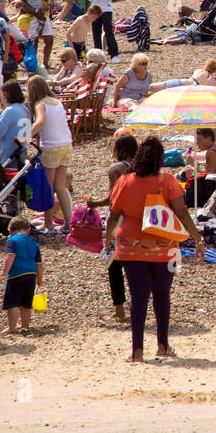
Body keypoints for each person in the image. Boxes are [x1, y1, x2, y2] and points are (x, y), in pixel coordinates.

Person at [105, 137, 205, 363]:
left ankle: (137, 352)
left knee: (138, 296)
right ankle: (162, 345)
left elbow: (114, 214)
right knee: (161, 295)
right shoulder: (166, 181)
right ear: (159, 159)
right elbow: (181, 213)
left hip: (129, 245)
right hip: (163, 246)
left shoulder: (124, 181)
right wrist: (197, 238)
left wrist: (107, 238)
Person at [88, 131, 137, 322]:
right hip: (140, 221)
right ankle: (137, 306)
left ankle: (120, 311)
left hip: (120, 222)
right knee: (136, 266)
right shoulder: (143, 167)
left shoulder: (116, 169)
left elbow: (113, 199)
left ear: (120, 150)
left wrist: (94, 204)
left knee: (114, 265)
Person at [27, 75, 73, 233]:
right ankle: (68, 223)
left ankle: (48, 223)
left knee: (48, 186)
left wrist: (25, 136)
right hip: (66, 144)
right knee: (60, 185)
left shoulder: (41, 104)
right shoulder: (57, 102)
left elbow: (40, 122)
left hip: (51, 146)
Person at [0, 215, 43, 334]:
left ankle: (12, 327)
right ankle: (25, 326)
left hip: (16, 274)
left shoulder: (12, 241)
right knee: (26, 303)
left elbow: (10, 257)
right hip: (31, 275)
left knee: (13, 302)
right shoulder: (34, 244)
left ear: (10, 230)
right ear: (28, 230)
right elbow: (39, 264)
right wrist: (40, 279)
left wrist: (4, 272)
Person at [0, 80, 32, 170]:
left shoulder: (10, 110)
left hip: (8, 157)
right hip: (21, 154)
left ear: (6, 95)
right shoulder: (25, 109)